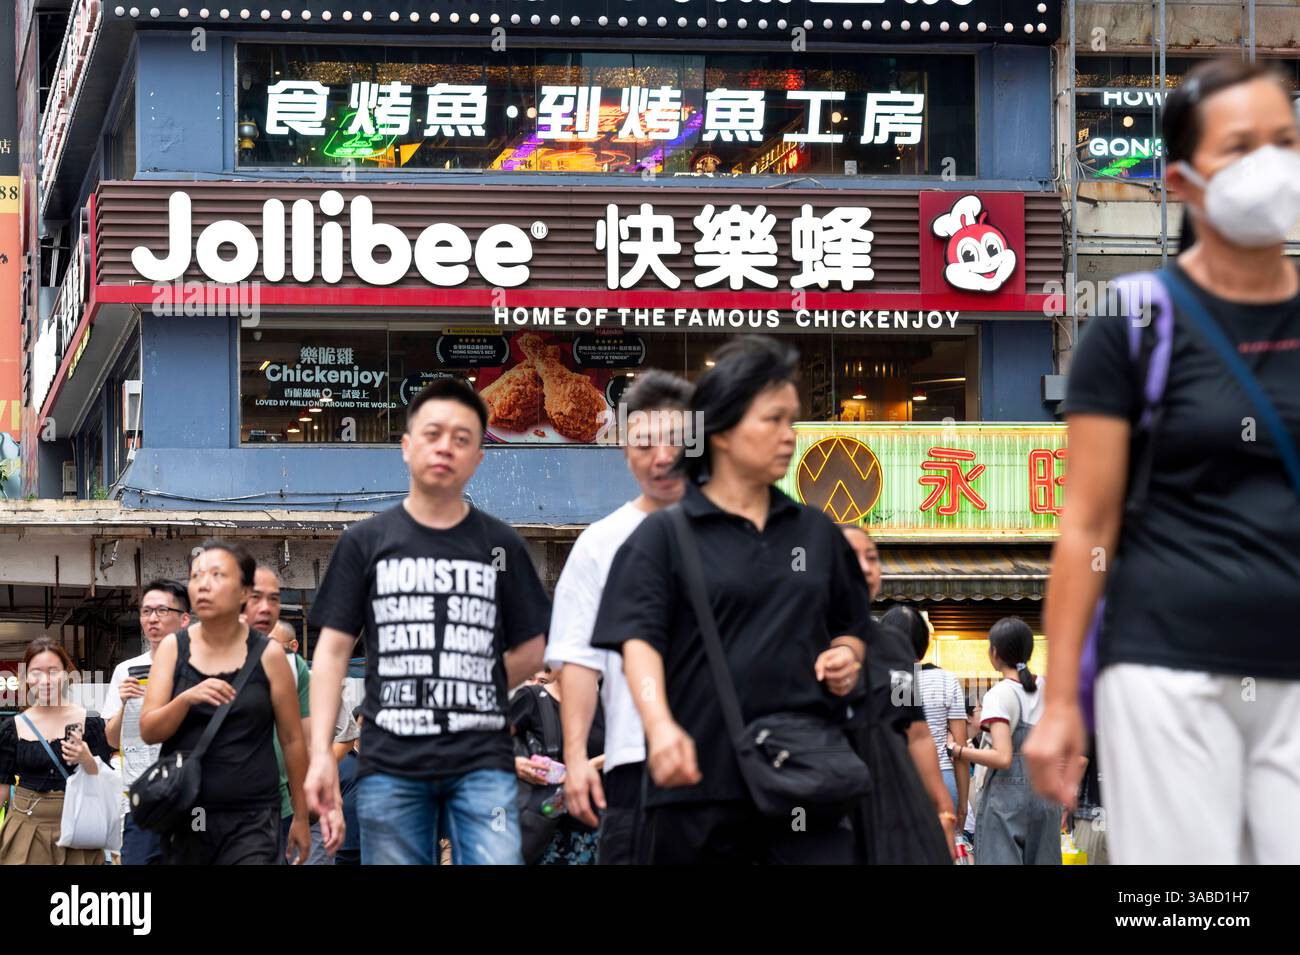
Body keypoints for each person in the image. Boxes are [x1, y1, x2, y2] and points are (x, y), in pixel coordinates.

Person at [1025, 57, 1300, 864]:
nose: (1271, 165)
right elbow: (1086, 523)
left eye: (1285, 139)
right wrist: (1061, 705)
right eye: (1240, 147)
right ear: (1180, 181)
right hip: (1166, 668)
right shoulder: (1136, 324)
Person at [592, 336, 872, 865]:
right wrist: (658, 725)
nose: (789, 437)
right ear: (720, 429)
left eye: (792, 420)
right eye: (772, 420)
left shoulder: (816, 533)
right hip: (697, 795)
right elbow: (638, 645)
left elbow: (851, 624)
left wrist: (847, 656)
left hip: (805, 789)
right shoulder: (663, 538)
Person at [304, 377, 549, 865]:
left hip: (482, 760)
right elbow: (331, 651)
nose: (445, 448)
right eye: (433, 434)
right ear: (407, 446)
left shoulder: (502, 544)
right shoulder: (365, 543)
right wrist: (319, 757)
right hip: (391, 763)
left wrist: (480, 681)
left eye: (462, 439)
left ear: (479, 456)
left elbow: (535, 644)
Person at [547, 369, 692, 865]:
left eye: (673, 440)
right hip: (635, 765)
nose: (659, 456)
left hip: (736, 768)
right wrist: (574, 758)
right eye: (643, 443)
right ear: (623, 450)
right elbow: (579, 662)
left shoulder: (743, 532)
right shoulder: (599, 544)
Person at [139, 539, 314, 865]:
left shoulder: (270, 655)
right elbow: (149, 729)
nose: (203, 585)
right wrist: (187, 698)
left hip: (254, 816)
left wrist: (301, 816)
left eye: (217, 575)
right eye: (196, 576)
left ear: (244, 592)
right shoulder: (173, 649)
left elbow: (292, 740)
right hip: (193, 813)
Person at [841, 529, 955, 861]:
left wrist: (942, 806)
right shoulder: (803, 638)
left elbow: (915, 732)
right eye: (850, 558)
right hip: (828, 796)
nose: (865, 567)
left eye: (872, 558)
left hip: (891, 795)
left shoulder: (893, 648)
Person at [0, 638, 117, 865]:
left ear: (66, 674)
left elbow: (106, 779)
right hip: (26, 828)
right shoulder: (12, 728)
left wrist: (86, 759)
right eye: (36, 672)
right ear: (25, 677)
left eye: (53, 671)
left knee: (75, 901)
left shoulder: (90, 721)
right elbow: (2, 788)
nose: (45, 680)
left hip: (79, 828)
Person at [103, 579, 192, 865]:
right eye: (146, 611)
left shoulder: (203, 668)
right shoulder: (125, 671)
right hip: (142, 802)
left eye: (162, 610)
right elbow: (110, 739)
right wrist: (125, 704)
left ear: (184, 619)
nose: (152, 618)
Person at [957, 617, 1059, 865]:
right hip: (1046, 794)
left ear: (994, 653)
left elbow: (1002, 757)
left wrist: (959, 750)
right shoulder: (1047, 687)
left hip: (1007, 797)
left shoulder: (1000, 693)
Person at [882, 599, 970, 826]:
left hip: (899, 783)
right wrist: (963, 803)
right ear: (923, 641)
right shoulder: (947, 679)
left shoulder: (887, 678)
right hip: (943, 779)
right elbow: (960, 749)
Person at [510, 668, 604, 865]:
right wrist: (515, 764)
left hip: (593, 830)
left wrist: (589, 766)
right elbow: (490, 742)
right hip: (541, 829)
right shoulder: (533, 698)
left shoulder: (606, 704)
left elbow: (628, 749)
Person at [250, 570, 313, 863]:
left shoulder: (291, 665)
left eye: (273, 599)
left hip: (276, 805)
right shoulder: (196, 652)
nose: (265, 607)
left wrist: (302, 813)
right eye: (255, 598)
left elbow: (299, 741)